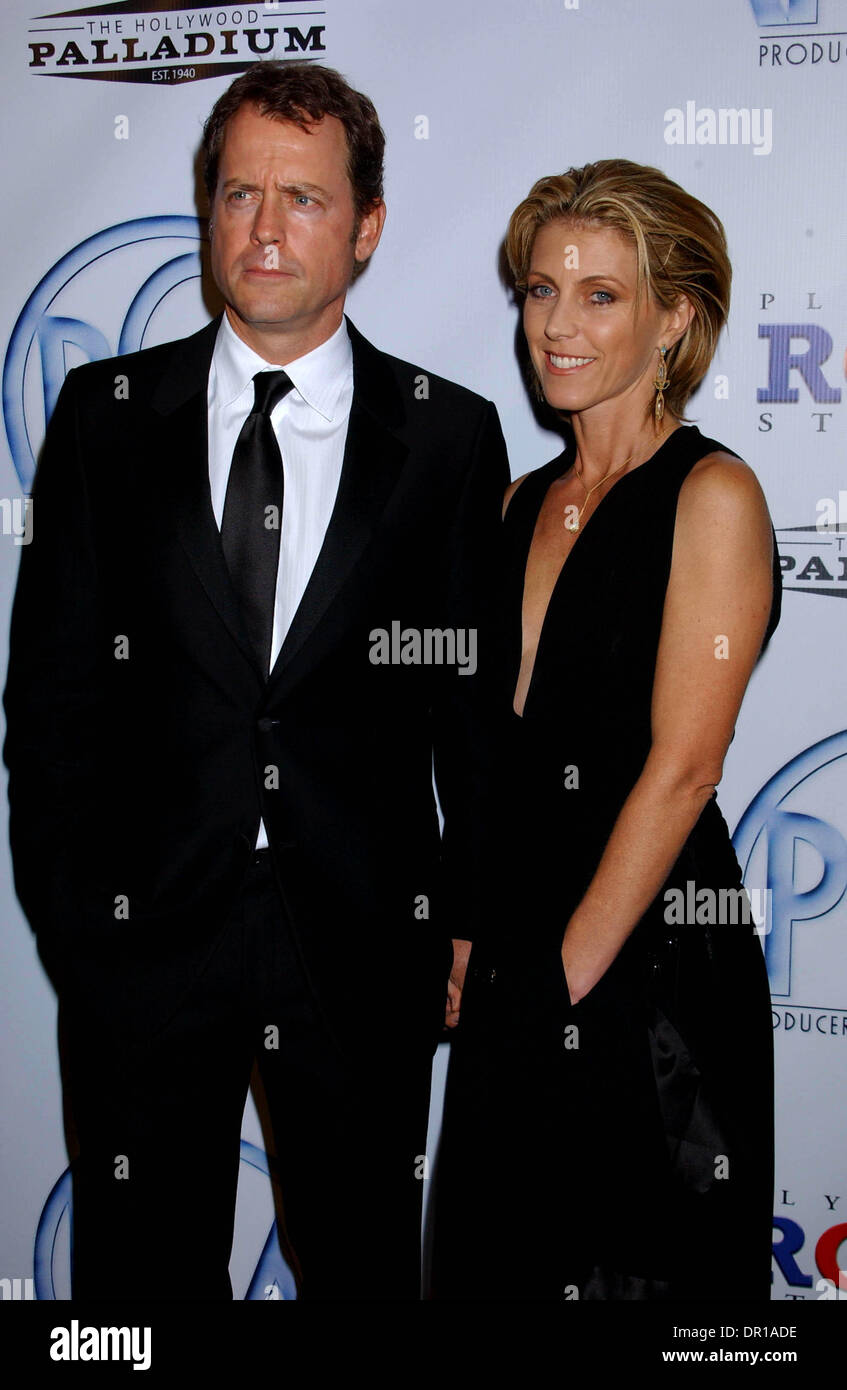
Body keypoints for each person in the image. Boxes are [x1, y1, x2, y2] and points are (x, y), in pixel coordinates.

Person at [3, 61, 508, 1301]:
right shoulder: (104, 418)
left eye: (304, 198)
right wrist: (81, 922)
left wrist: (458, 913)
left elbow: (470, 712)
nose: (266, 229)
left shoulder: (446, 436)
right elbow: (52, 701)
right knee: (135, 1282)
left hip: (361, 938)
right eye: (239, 196)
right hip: (146, 932)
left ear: (367, 228)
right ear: (207, 210)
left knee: (363, 1269)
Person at [431, 159, 781, 1301]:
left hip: (653, 963)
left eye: (599, 294)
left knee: (641, 1274)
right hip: (524, 944)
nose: (556, 325)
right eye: (540, 290)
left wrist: (556, 985)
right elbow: (486, 753)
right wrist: (478, 937)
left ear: (674, 314)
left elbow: (682, 771)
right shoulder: (519, 501)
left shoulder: (711, 495)